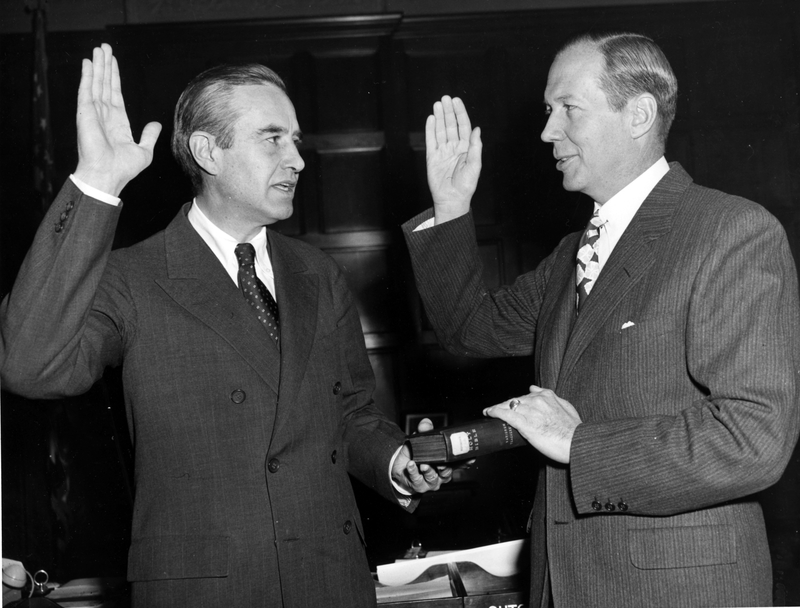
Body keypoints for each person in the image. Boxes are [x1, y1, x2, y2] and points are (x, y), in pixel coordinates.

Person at [0, 44, 452, 607]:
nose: (298, 159)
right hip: (208, 590)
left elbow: (350, 412)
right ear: (208, 152)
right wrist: (97, 180)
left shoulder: (318, 274)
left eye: (296, 140)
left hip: (330, 580)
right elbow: (30, 365)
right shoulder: (133, 277)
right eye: (273, 138)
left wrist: (395, 460)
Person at [402, 31, 800, 607]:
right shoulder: (572, 255)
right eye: (547, 110)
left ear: (637, 114)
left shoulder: (729, 231)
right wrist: (450, 207)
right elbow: (469, 328)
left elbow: (754, 437)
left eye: (569, 109)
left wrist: (579, 444)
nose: (547, 131)